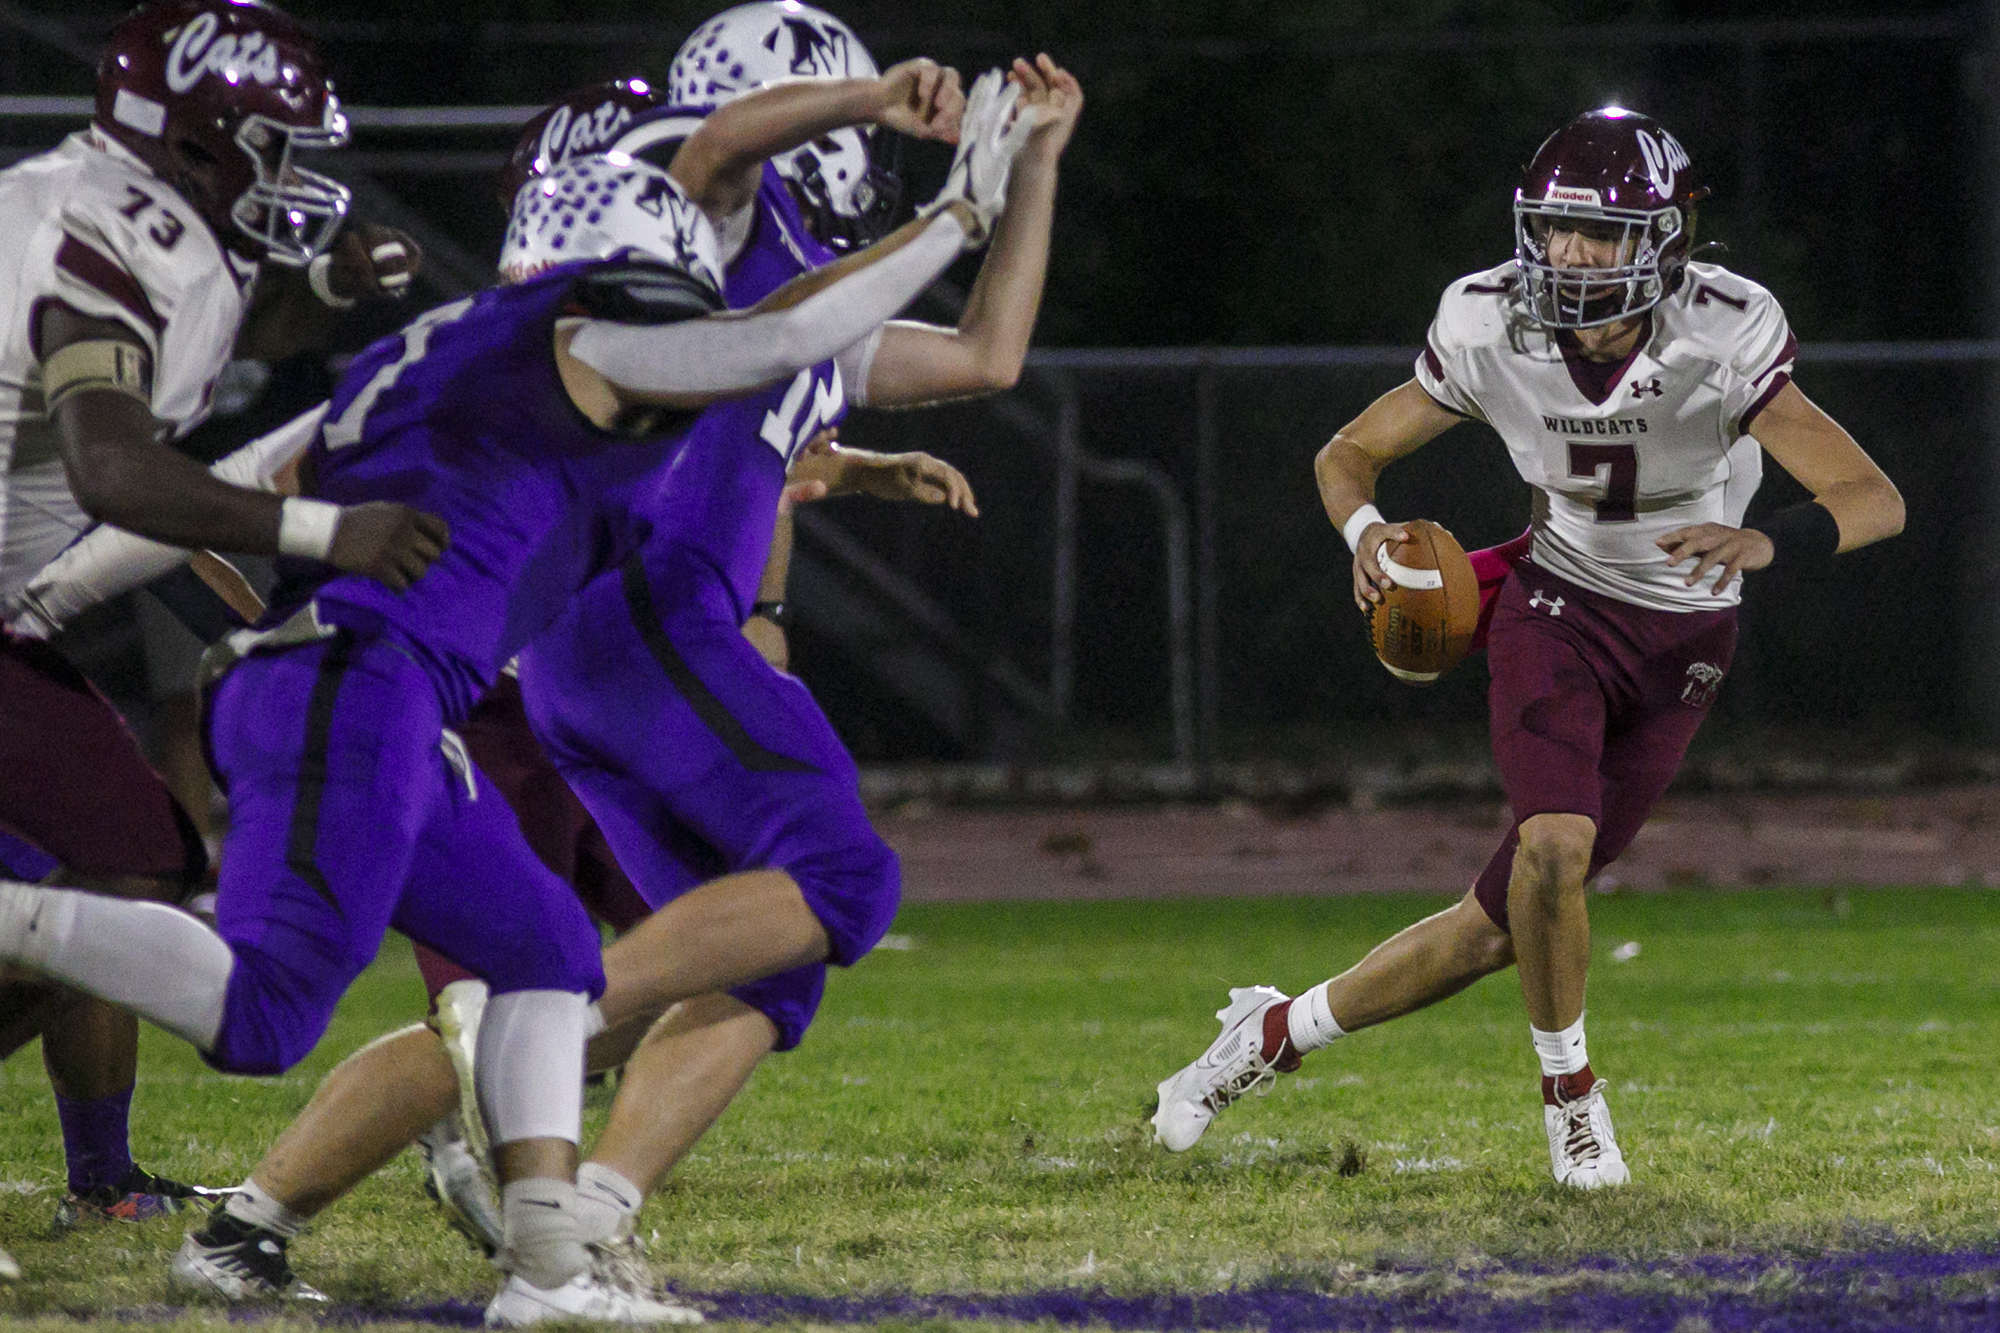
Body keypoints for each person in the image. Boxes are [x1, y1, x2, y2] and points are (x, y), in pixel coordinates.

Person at [155, 14, 1073, 1295]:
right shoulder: (710, 234)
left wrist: (1032, 169)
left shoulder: (810, 286)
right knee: (836, 875)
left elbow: (987, 354)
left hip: (616, 646)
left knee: (764, 969)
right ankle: (527, 1064)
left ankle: (282, 1223)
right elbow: (720, 147)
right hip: (646, 617)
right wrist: (868, 98)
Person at [1150, 107, 1904, 1189]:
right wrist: (1365, 535)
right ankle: (1572, 1101)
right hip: (1555, 600)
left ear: (1664, 241)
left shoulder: (1720, 332)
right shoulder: (1488, 322)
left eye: (1599, 234)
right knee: (1551, 848)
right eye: (1555, 229)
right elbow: (1347, 452)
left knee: (1496, 926)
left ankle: (1272, 1033)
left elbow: (1873, 497)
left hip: (1686, 636)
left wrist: (1767, 537)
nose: (1570, 254)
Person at [0, 0, 423, 1249]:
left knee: (116, 863)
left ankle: (103, 1175)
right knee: (122, 864)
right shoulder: (92, 240)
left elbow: (218, 329)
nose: (292, 176)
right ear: (197, 143)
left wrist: (327, 287)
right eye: (273, 147)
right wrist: (320, 530)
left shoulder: (149, 220)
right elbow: (114, 468)